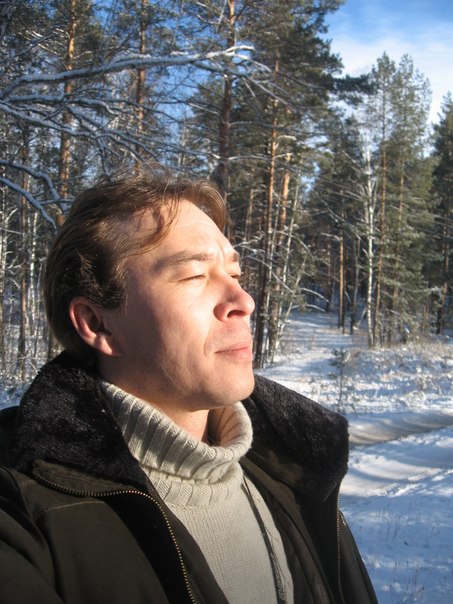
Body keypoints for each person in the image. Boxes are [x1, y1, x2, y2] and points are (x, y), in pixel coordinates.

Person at [0, 166, 377, 604]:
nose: (243, 301)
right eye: (195, 276)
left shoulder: (297, 469)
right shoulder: (21, 515)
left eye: (235, 275)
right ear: (96, 323)